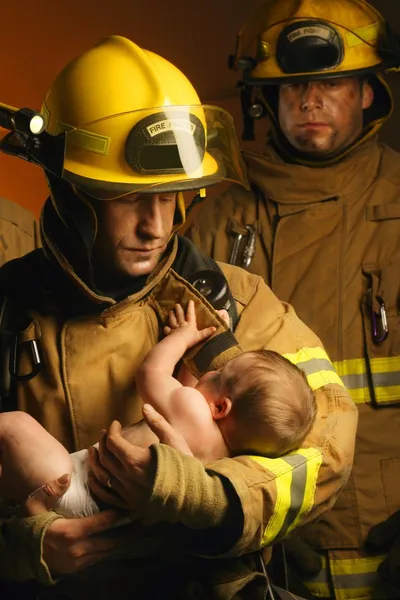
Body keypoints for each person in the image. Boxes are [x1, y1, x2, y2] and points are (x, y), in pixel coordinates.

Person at [0, 34, 357, 600]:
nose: (156, 226)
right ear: (70, 191)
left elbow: (327, 447)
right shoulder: (7, 311)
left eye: (170, 196)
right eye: (127, 198)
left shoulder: (232, 299)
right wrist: (20, 549)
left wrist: (208, 497)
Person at [184, 1, 400, 598]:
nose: (310, 99)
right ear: (262, 98)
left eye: (330, 81)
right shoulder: (214, 223)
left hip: (381, 535)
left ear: (366, 92)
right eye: (292, 85)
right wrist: (242, 513)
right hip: (256, 541)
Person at [0, 300, 317, 521]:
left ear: (221, 407)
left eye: (219, 375)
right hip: (92, 514)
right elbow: (184, 390)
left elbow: (151, 375)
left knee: (16, 425)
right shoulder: (220, 461)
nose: (209, 372)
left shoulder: (194, 409)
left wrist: (183, 338)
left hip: (72, 485)